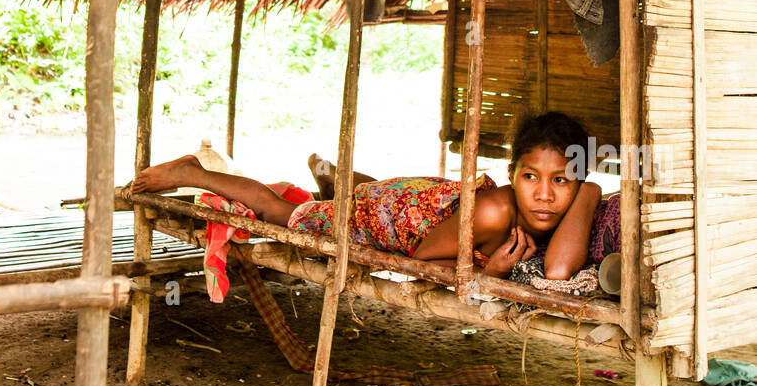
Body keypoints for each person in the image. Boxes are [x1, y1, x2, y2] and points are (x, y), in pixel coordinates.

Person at [129, 110, 620, 281]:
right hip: (393, 219)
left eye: (563, 182)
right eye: (532, 177)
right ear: (510, 175)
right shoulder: (494, 209)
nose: (545, 194)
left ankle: (337, 177)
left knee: (360, 192)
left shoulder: (562, 205)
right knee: (283, 212)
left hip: (424, 201)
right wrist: (487, 270)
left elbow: (560, 266)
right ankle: (193, 172)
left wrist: (592, 189)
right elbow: (423, 256)